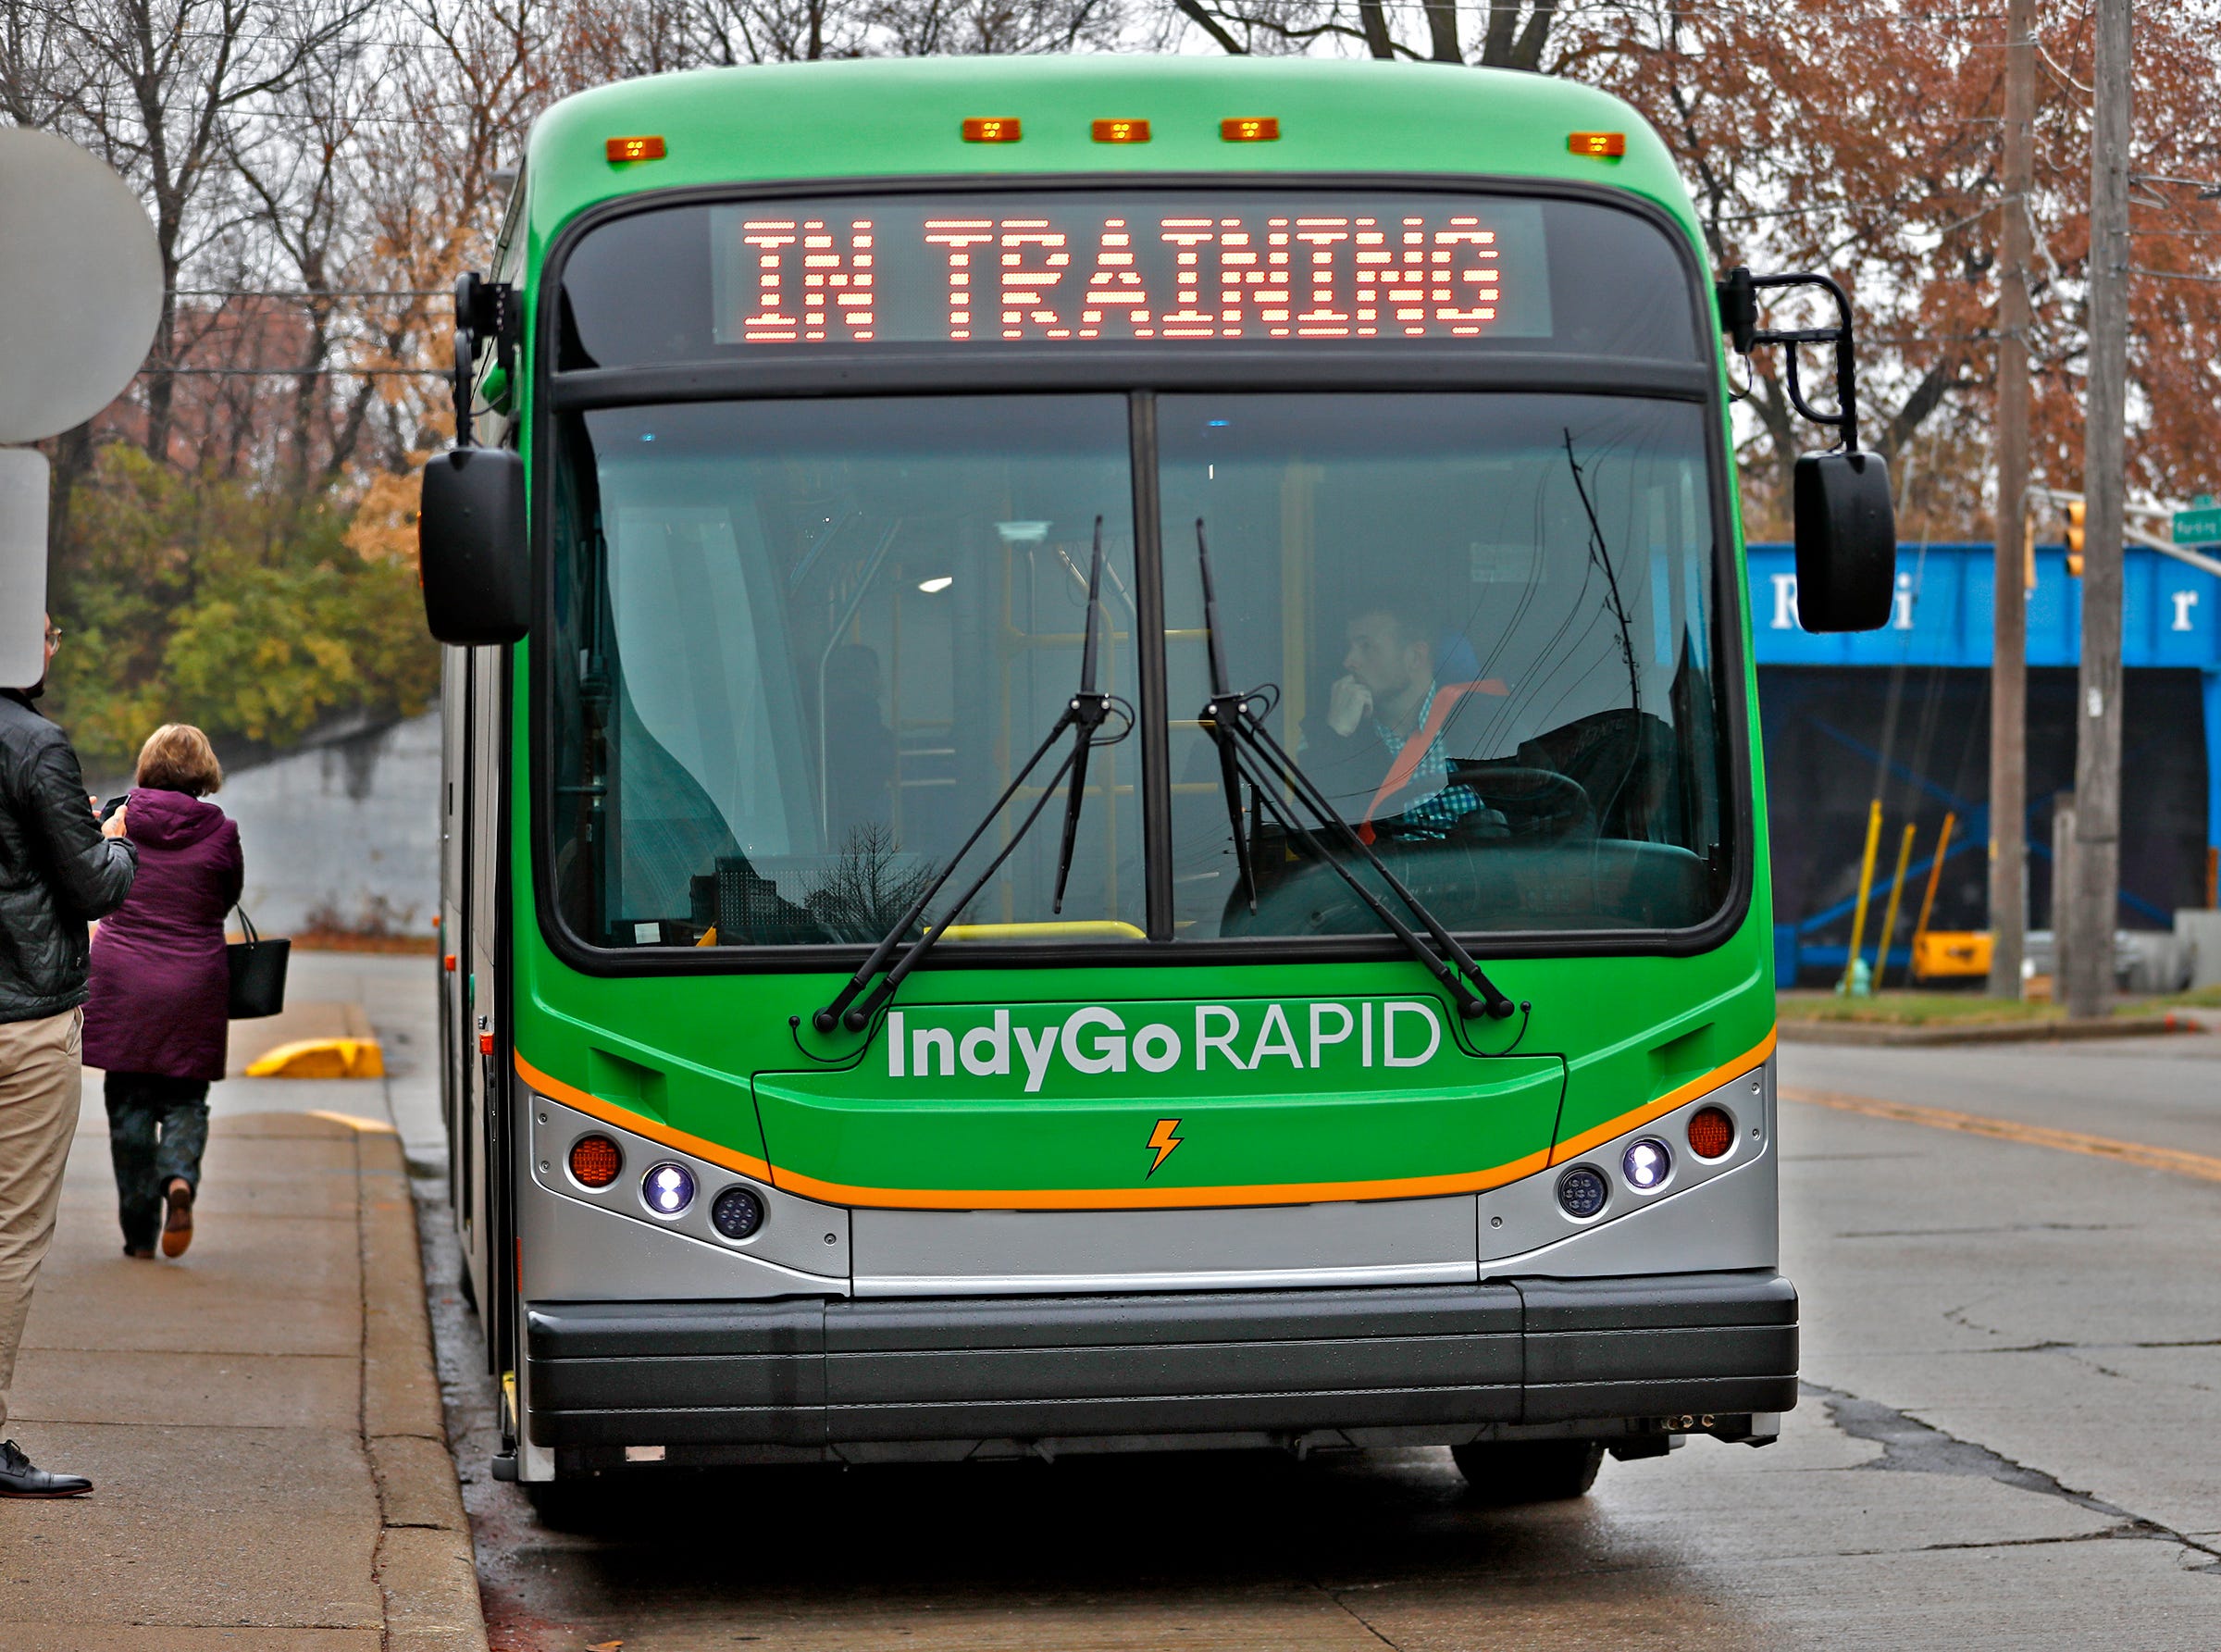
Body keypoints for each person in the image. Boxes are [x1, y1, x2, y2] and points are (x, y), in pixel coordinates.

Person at [0, 615, 137, 1498]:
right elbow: (93, 882)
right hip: (25, 1022)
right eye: (46, 630)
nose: (55, 643)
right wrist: (114, 837)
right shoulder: (36, 745)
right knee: (12, 1231)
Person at [83, 726, 242, 1262]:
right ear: (205, 770)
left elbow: (94, 881)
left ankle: (138, 1237)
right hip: (194, 982)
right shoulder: (223, 832)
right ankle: (178, 1177)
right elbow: (227, 897)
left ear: (148, 763)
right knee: (185, 1098)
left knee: (127, 1106)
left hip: (122, 980)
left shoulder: (117, 818)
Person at [1308, 597, 1505, 840]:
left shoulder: (1482, 718)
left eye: (1366, 646)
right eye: (1350, 647)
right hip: (1386, 877)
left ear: (1415, 657)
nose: (1349, 661)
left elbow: (1539, 804)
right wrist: (1336, 736)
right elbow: (1314, 837)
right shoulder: (1336, 735)